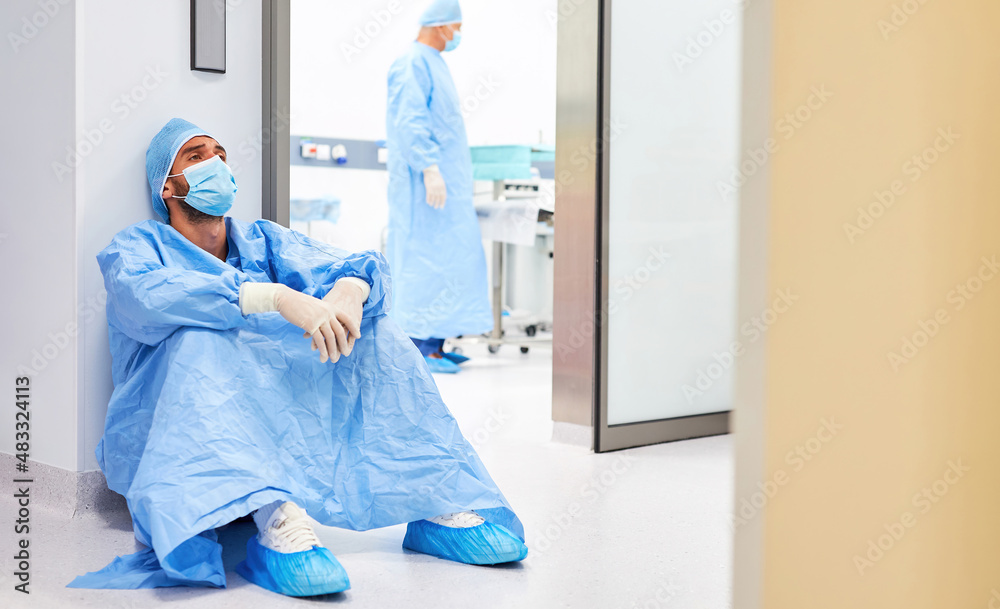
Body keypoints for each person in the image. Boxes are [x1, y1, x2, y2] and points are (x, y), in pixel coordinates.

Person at [68, 118, 526, 598]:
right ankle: (276, 518)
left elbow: (345, 265)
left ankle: (436, 499)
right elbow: (145, 296)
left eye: (220, 153)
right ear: (168, 184)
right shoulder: (139, 247)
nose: (215, 164)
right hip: (180, 428)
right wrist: (269, 298)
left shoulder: (263, 241)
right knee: (202, 338)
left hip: (275, 407)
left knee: (374, 330)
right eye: (197, 156)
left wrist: (352, 288)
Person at [386, 0, 492, 374]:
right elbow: (410, 120)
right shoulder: (412, 62)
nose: (458, 34)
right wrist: (428, 167)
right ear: (441, 24)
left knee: (451, 260)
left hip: (448, 186)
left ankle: (439, 342)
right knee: (426, 261)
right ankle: (420, 347)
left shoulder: (435, 63)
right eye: (457, 26)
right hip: (423, 186)